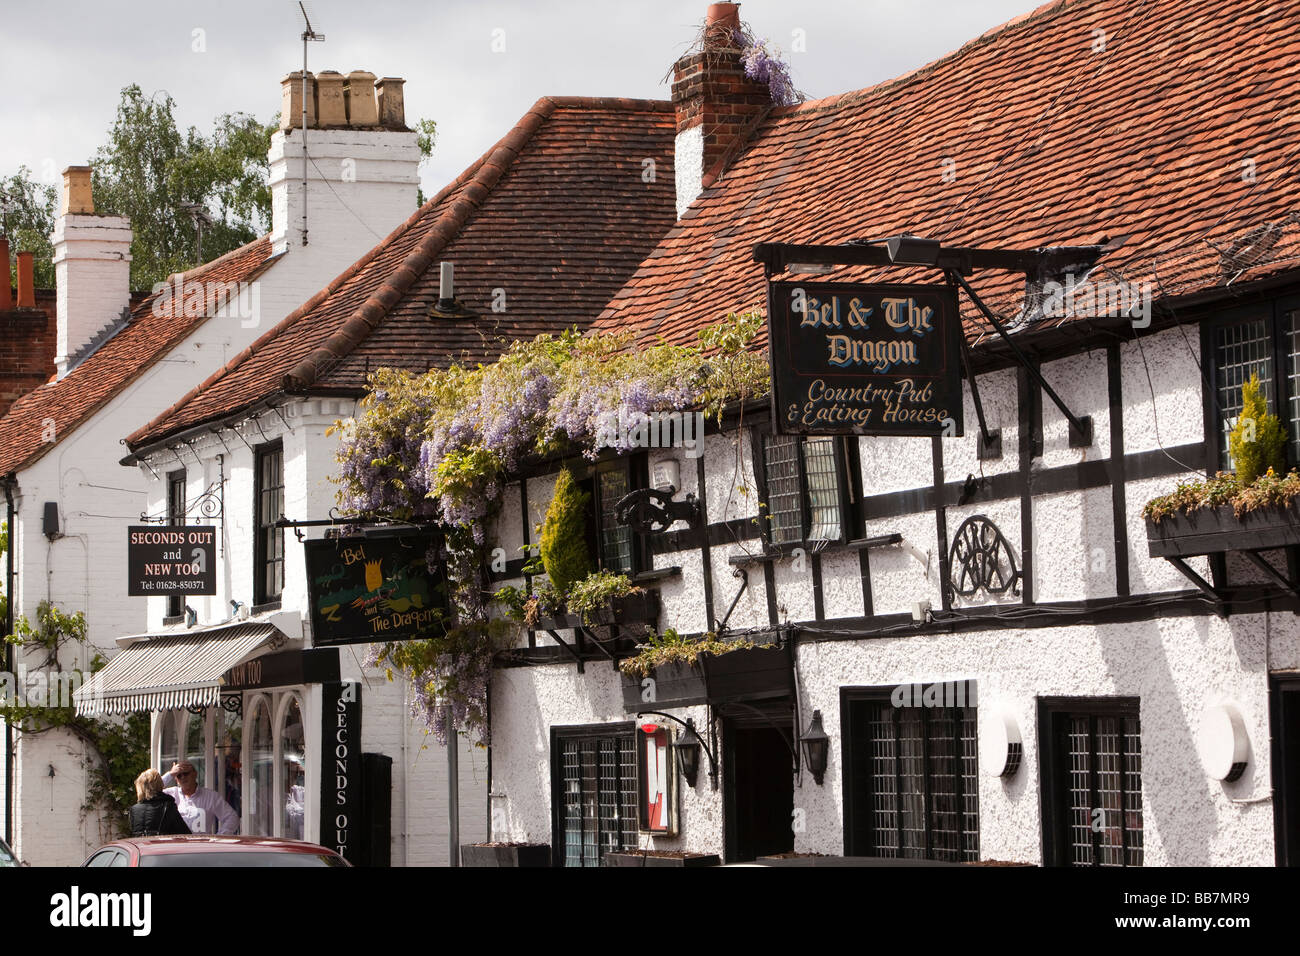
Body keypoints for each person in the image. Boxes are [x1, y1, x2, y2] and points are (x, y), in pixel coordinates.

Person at [162, 761, 240, 835]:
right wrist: (170, 774)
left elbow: (232, 818)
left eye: (186, 773)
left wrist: (220, 837)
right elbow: (151, 789)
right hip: (176, 846)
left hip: (201, 847)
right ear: (176, 779)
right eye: (179, 775)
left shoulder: (211, 796)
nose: (183, 777)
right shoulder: (171, 794)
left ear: (195, 774)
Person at [129, 769, 191, 837]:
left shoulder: (134, 809)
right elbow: (184, 833)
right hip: (161, 846)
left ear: (139, 787)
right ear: (160, 784)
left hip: (140, 846)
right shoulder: (167, 806)